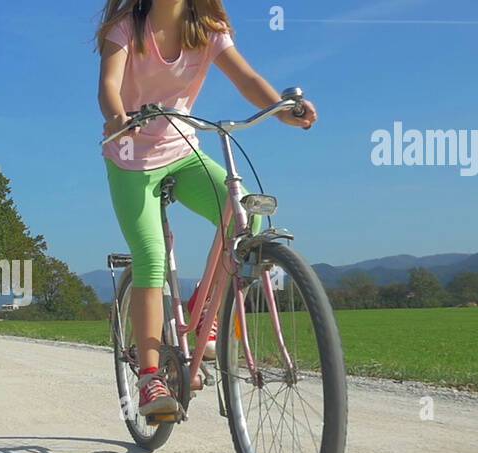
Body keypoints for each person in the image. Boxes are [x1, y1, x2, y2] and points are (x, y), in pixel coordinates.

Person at [97, 0, 318, 417]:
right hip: (130, 157)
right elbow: (109, 83)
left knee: (245, 214)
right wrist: (117, 117)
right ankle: (149, 378)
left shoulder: (208, 28)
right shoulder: (126, 27)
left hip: (182, 151)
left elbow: (246, 77)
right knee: (151, 257)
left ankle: (204, 317)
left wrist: (281, 111)